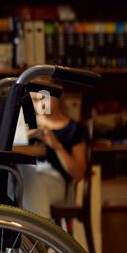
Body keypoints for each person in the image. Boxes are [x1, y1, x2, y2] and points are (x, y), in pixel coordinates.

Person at [20, 91, 89, 220]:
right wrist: (25, 135)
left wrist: (57, 146)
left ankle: (40, 234)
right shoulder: (27, 127)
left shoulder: (75, 129)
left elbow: (79, 173)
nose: (40, 104)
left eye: (43, 98)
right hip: (28, 177)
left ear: (57, 96)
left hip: (57, 182)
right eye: (35, 100)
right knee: (17, 174)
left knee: (29, 177)